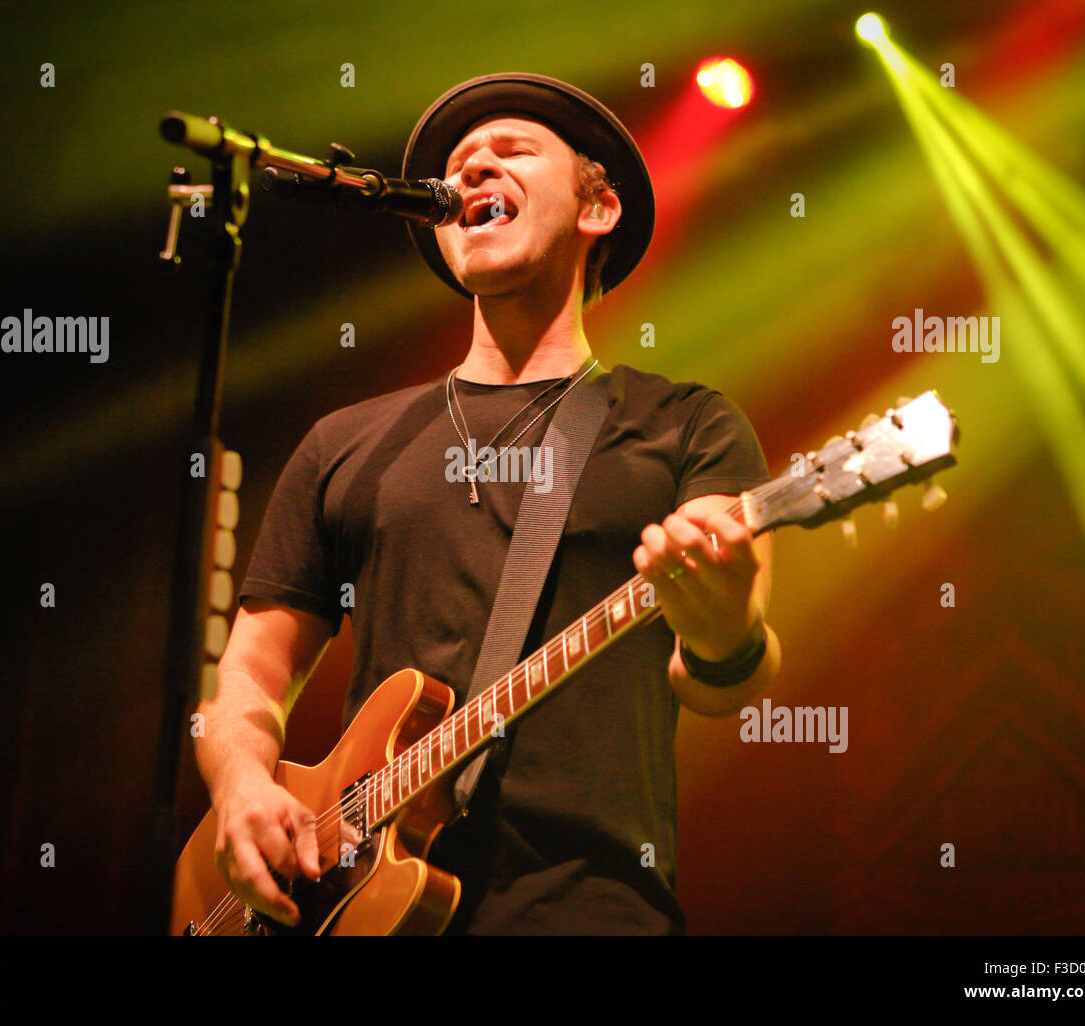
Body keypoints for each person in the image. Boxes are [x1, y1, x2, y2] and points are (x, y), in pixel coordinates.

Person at [193, 73, 782, 935]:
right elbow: (248, 671)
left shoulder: (682, 425)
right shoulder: (348, 442)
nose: (472, 170)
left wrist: (723, 621)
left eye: (511, 153)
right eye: (460, 165)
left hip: (585, 910)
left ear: (598, 211)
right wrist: (242, 783)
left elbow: (731, 684)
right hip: (352, 909)